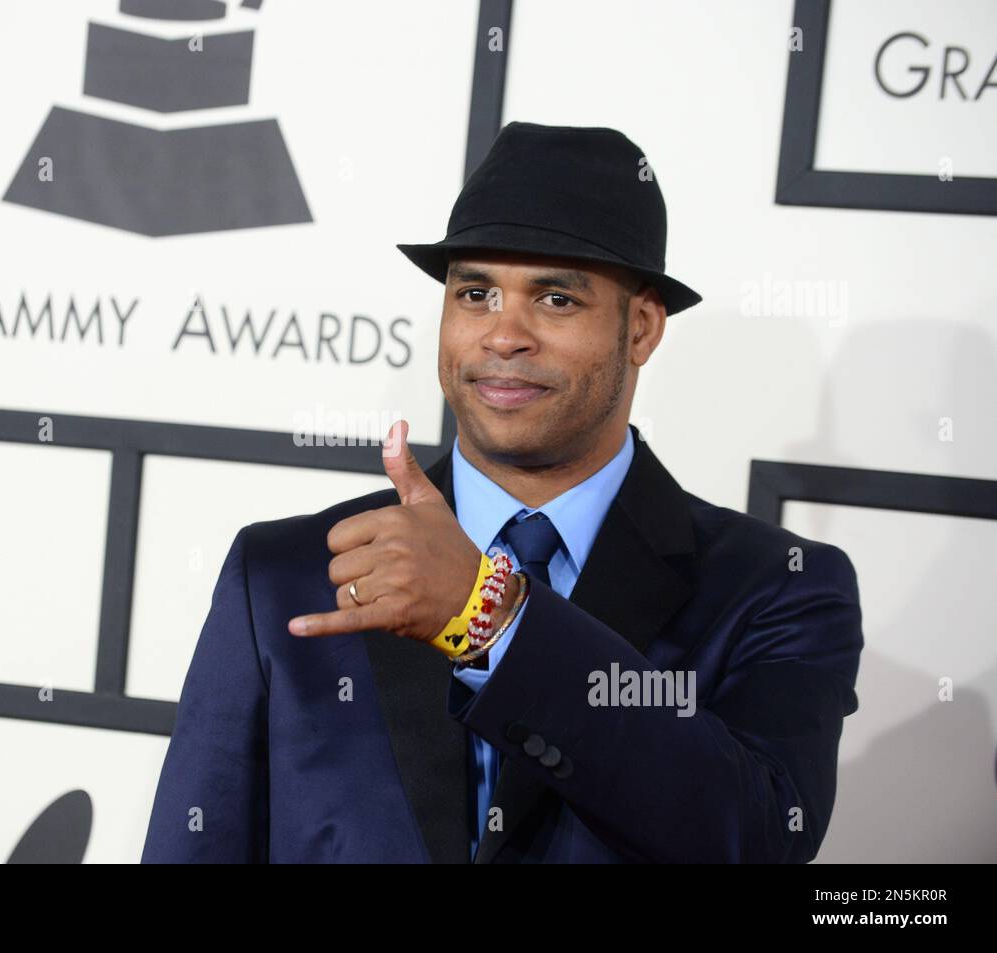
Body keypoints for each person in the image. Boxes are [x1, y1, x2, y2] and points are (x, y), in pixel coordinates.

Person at [141, 122, 863, 863]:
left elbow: (760, 837)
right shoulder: (286, 571)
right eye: (476, 292)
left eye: (555, 299)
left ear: (641, 328)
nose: (503, 334)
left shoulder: (776, 590)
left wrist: (492, 616)